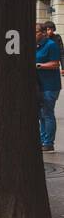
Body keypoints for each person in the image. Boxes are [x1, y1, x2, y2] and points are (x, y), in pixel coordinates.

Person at [35, 21, 61, 152]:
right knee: (40, 114)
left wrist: (39, 65)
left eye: (36, 32)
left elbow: (55, 64)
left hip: (50, 86)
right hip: (39, 85)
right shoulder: (36, 45)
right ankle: (43, 139)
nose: (33, 35)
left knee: (47, 113)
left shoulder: (51, 45)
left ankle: (48, 142)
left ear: (43, 33)